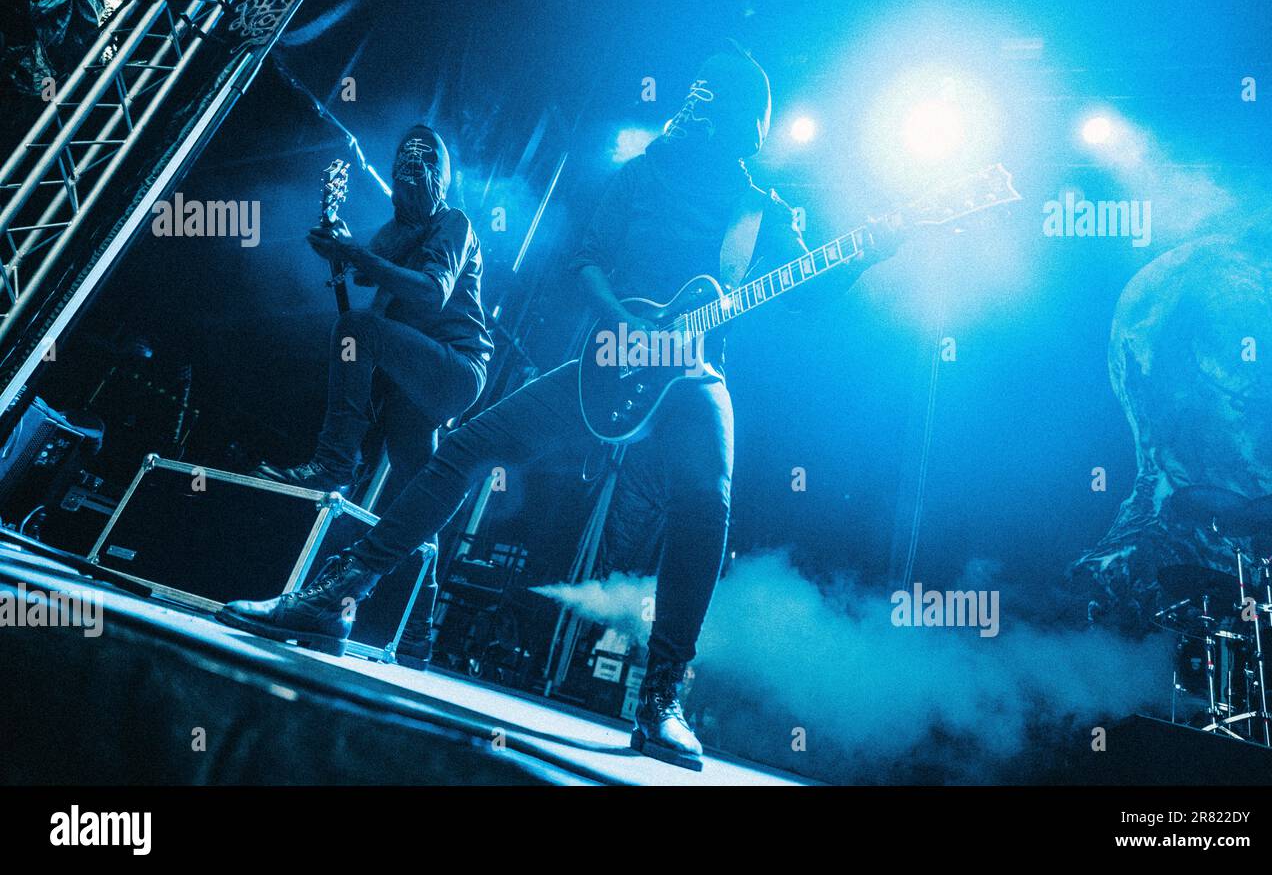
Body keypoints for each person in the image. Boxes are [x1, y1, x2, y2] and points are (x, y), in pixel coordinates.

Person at [219, 44, 891, 769]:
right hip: (604, 362)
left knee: (708, 502)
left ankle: (661, 698)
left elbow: (811, 294)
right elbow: (585, 261)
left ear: (740, 121)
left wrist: (877, 249)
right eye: (690, 89)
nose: (691, 103)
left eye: (708, 96)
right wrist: (626, 326)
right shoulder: (643, 172)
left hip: (695, 374)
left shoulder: (759, 209)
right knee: (466, 448)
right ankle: (336, 594)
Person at [255, 125, 493, 667]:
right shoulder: (391, 234)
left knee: (355, 330)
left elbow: (432, 291)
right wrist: (337, 249)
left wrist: (355, 255)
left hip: (455, 369)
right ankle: (417, 635)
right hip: (413, 386)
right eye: (404, 155)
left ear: (444, 176)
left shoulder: (454, 223)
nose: (413, 161)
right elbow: (363, 271)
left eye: (426, 157)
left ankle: (334, 462)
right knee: (419, 498)